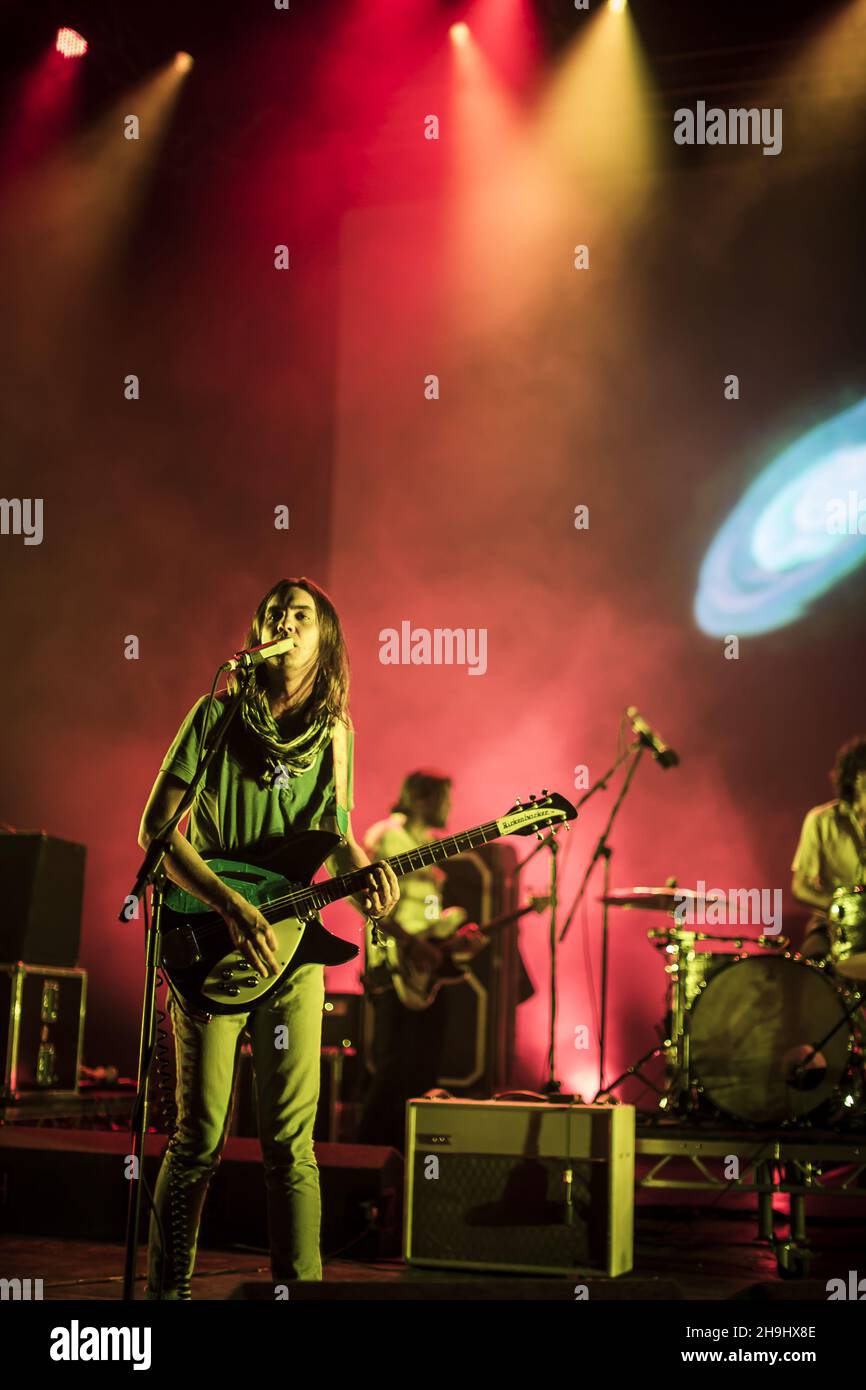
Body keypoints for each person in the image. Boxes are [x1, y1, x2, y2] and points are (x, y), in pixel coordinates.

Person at [138, 577, 400, 1297]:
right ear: (257, 633)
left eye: (302, 614)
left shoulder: (338, 733)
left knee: (294, 1147)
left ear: (325, 640)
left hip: (293, 951)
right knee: (197, 1141)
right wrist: (226, 903)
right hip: (214, 942)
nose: (286, 620)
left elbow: (339, 837)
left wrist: (370, 874)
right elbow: (155, 833)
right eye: (274, 612)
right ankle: (169, 1295)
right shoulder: (216, 713)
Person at [357, 771, 487, 1150]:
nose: (448, 807)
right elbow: (368, 899)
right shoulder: (387, 836)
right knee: (392, 1070)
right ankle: (365, 1166)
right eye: (442, 798)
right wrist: (412, 944)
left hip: (426, 969)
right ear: (419, 798)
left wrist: (453, 941)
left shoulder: (431, 845)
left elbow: (427, 914)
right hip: (394, 965)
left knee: (423, 1072)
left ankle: (405, 1162)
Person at [791, 735, 866, 961]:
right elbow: (800, 887)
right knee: (810, 962)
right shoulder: (821, 820)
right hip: (831, 923)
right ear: (857, 777)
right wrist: (843, 910)